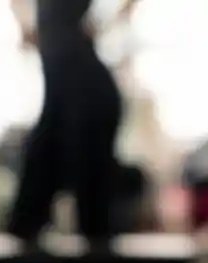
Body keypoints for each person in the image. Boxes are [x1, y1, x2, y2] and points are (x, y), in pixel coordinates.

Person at [7, 0, 137, 247]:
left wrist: (107, 22)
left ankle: (97, 253)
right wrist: (25, 23)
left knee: (89, 189)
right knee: (44, 157)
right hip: (66, 82)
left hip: (86, 88)